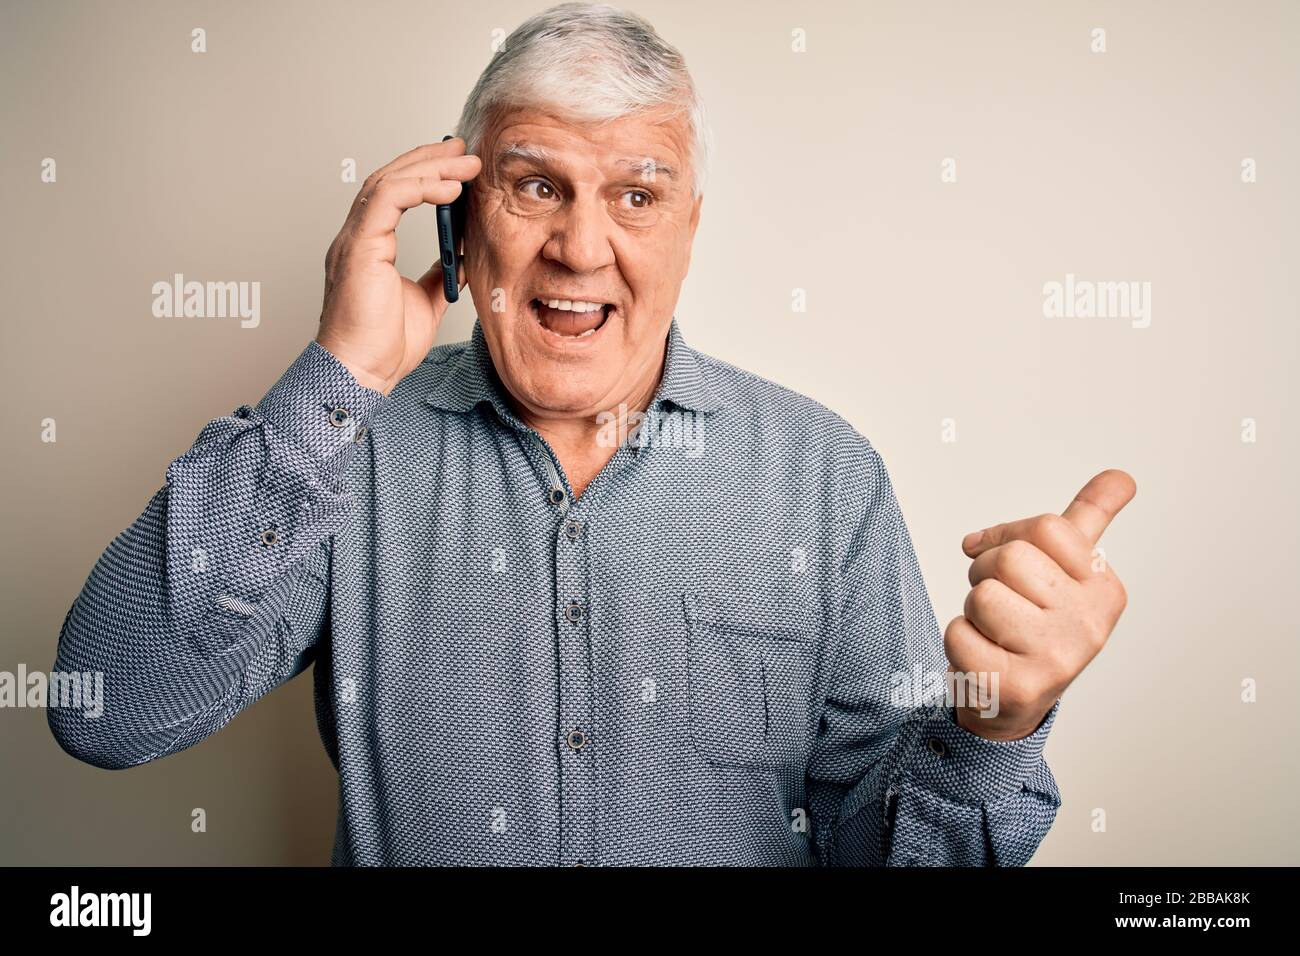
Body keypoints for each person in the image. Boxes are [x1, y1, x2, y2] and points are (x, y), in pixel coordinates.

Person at [47, 2, 1134, 866]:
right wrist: (343, 373)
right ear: (461, 221)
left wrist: (993, 732)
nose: (580, 245)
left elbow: (882, 855)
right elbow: (109, 709)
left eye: (636, 196)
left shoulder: (825, 479)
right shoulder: (350, 446)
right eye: (535, 186)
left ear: (689, 231)